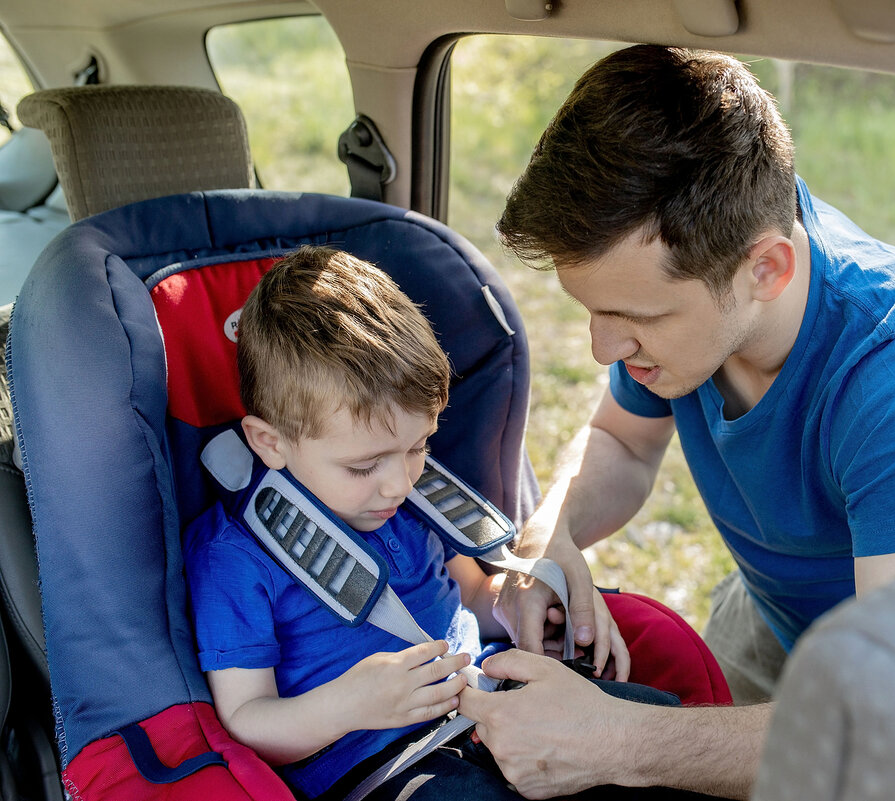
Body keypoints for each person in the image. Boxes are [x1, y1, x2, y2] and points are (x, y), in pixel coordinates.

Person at [458, 44, 895, 800]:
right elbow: (620, 443)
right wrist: (548, 536)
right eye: (592, 310)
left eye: (634, 317)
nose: (604, 347)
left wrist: (616, 740)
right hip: (780, 620)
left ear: (768, 270)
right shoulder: (717, 253)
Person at [184, 246, 651, 801]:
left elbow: (471, 594)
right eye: (363, 465)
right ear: (270, 442)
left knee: (646, 729)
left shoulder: (412, 498)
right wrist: (348, 705)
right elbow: (244, 719)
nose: (399, 483)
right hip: (384, 768)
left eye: (419, 446)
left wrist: (529, 605)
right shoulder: (235, 558)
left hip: (488, 708)